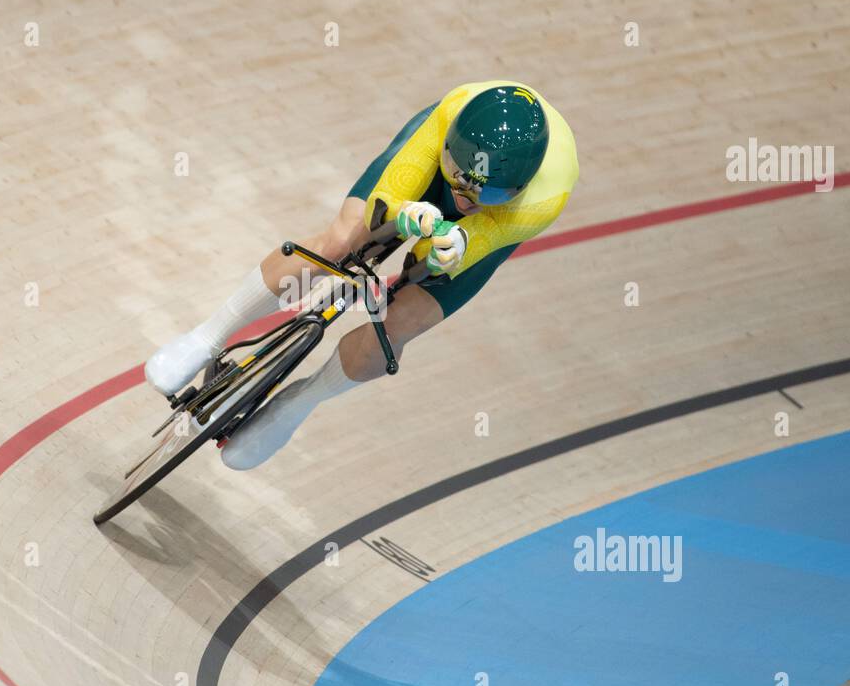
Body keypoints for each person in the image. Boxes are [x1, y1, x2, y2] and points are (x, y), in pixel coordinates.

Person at [144, 81, 579, 470]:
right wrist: (402, 214)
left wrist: (449, 246)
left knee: (400, 325)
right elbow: (382, 209)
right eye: (461, 181)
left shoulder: (540, 200)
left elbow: (432, 259)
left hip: (493, 225)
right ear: (449, 147)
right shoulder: (450, 115)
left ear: (517, 190)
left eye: (491, 191)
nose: (468, 198)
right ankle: (208, 336)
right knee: (339, 242)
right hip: (431, 169)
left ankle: (298, 404)